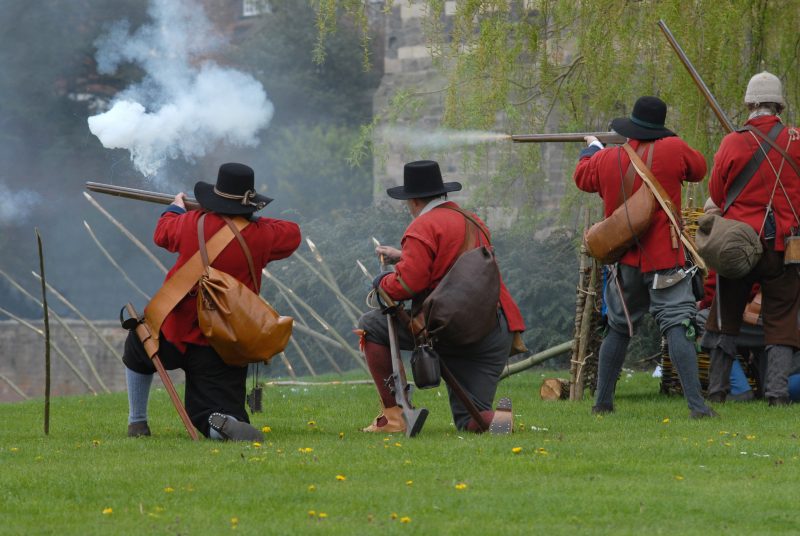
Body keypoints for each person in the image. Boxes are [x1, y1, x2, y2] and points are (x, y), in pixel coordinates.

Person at [122, 163, 301, 439]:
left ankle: (137, 422)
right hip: (224, 340)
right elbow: (292, 234)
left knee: (138, 345)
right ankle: (222, 424)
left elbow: (162, 232)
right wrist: (249, 219)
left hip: (173, 332)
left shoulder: (191, 222)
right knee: (211, 413)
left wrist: (176, 207)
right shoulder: (261, 234)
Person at [357, 160, 525, 433]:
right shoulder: (473, 221)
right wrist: (404, 257)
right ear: (441, 194)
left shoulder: (422, 227)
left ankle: (393, 417)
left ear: (413, 201)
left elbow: (406, 285)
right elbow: (459, 267)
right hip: (492, 330)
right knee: (471, 419)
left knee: (370, 325)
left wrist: (382, 281)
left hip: (449, 329)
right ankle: (502, 421)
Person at [574, 95, 716, 418]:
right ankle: (697, 407)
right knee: (678, 327)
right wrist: (672, 142)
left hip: (625, 263)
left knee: (618, 329)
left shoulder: (608, 158)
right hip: (666, 260)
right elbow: (699, 168)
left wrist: (593, 148)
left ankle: (602, 404)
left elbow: (581, 175)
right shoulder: (674, 149)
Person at [702, 71, 800, 406]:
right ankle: (776, 395)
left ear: (750, 104)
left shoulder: (733, 141)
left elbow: (717, 193)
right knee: (782, 320)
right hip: (785, 247)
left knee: (723, 317)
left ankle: (717, 392)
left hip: (740, 245)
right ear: (778, 105)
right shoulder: (797, 140)